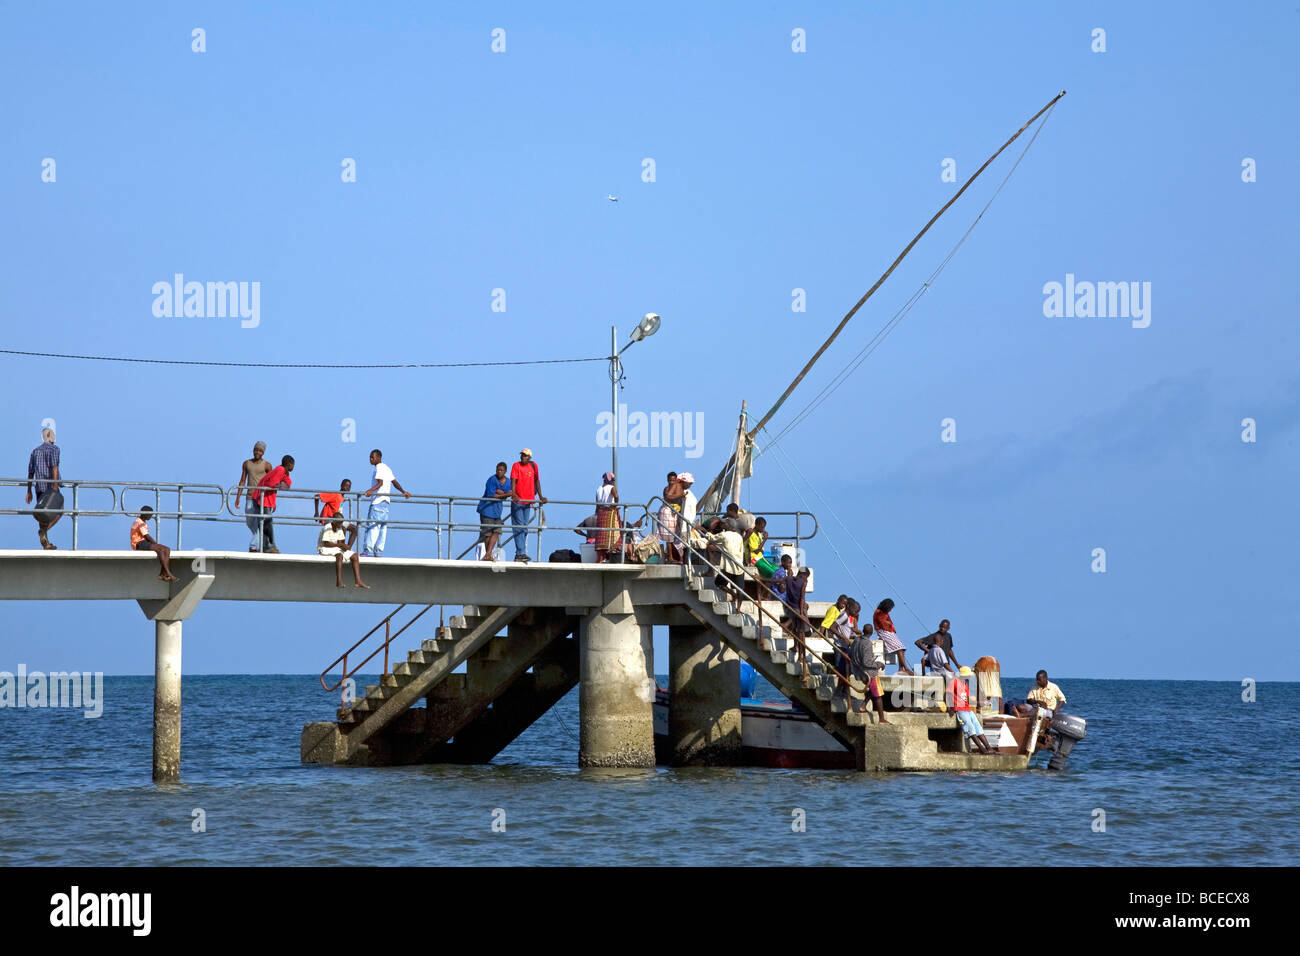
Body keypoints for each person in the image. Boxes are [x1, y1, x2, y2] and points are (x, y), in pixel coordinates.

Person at [361, 449, 412, 558]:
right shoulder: (387, 468)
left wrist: (370, 490)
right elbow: (395, 482)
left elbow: (380, 483)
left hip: (378, 501)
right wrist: (403, 492)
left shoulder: (379, 467)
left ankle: (367, 551)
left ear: (379, 457)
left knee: (372, 526)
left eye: (372, 457)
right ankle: (378, 552)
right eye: (370, 457)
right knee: (382, 528)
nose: (370, 459)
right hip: (386, 502)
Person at [26, 427, 63, 550]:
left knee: (42, 515)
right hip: (50, 488)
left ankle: (46, 543)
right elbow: (54, 468)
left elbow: (30, 472)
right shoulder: (55, 449)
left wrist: (29, 491)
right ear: (51, 437)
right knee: (59, 510)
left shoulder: (35, 451)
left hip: (39, 488)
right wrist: (56, 486)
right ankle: (43, 531)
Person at [250, 455, 294, 554]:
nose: (293, 467)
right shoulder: (280, 470)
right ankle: (269, 546)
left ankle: (266, 546)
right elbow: (272, 484)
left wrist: (281, 486)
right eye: (293, 465)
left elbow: (288, 485)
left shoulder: (284, 472)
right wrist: (279, 485)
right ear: (289, 464)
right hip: (261, 498)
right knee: (267, 523)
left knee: (265, 523)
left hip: (267, 499)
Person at [509, 448, 547, 563]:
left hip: (528, 500)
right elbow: (513, 481)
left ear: (529, 457)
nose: (522, 457)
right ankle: (520, 553)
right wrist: (514, 494)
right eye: (522, 455)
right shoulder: (516, 465)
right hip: (518, 501)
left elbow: (537, 481)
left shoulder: (533, 466)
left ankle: (519, 553)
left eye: (525, 456)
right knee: (519, 527)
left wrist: (541, 496)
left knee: (524, 528)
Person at [234, 441, 273, 552]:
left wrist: (273, 501)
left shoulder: (267, 465)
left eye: (260, 451)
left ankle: (253, 545)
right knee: (250, 522)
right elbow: (242, 481)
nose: (257, 452)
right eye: (256, 450)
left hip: (261, 498)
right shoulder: (246, 463)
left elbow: (272, 484)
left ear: (263, 452)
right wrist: (238, 498)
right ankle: (262, 543)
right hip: (250, 497)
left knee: (260, 521)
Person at [848, 611, 887, 722]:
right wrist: (879, 664)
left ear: (864, 631)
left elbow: (851, 654)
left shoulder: (856, 640)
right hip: (868, 674)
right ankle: (882, 719)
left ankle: (863, 706)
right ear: (871, 632)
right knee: (878, 695)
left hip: (858, 672)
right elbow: (867, 662)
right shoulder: (867, 643)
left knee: (872, 690)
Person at [704, 518, 745, 614]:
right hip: (739, 565)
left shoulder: (724, 535)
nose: (723, 524)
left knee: (719, 583)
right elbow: (740, 550)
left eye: (725, 523)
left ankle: (732, 594)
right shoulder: (739, 536)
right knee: (740, 589)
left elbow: (712, 538)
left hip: (728, 566)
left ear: (728, 526)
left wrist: (705, 531)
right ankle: (738, 608)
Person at [949, 669, 993, 754]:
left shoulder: (965, 684)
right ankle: (982, 749)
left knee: (978, 728)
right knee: (970, 729)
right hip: (960, 710)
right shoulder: (954, 682)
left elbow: (967, 699)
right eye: (968, 675)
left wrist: (979, 702)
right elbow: (948, 694)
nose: (969, 677)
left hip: (968, 709)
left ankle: (989, 748)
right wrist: (950, 708)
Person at [131, 506, 178, 582]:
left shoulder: (142, 521)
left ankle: (162, 573)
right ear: (145, 514)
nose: (151, 516)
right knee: (160, 549)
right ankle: (168, 573)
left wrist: (157, 545)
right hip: (138, 544)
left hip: (143, 542)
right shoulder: (139, 522)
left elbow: (146, 538)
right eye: (150, 514)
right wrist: (156, 544)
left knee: (167, 549)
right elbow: (147, 536)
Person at [318, 518, 369, 589]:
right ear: (335, 522)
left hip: (336, 548)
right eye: (340, 523)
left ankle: (358, 581)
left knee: (354, 556)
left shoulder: (340, 528)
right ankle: (339, 581)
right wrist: (340, 545)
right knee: (339, 555)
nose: (342, 525)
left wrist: (345, 547)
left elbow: (340, 542)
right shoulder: (328, 527)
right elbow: (326, 544)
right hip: (325, 548)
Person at [475, 462, 511, 560]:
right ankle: (487, 554)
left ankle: (489, 553)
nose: (499, 472)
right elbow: (492, 495)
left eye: (501, 470)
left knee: (497, 531)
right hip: (487, 509)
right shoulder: (491, 480)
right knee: (487, 533)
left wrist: (501, 493)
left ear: (505, 471)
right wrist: (504, 494)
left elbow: (509, 494)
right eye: (497, 470)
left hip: (497, 511)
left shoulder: (508, 482)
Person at [782, 567, 812, 681]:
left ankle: (797, 650)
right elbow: (802, 597)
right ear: (804, 575)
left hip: (791, 608)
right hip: (799, 610)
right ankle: (801, 656)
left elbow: (777, 581)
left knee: (797, 631)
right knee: (801, 634)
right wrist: (801, 612)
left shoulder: (791, 579)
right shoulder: (803, 581)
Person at [872, 598, 914, 676]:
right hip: (883, 632)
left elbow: (889, 623)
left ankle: (901, 669)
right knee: (899, 647)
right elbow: (884, 624)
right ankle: (906, 668)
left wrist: (889, 623)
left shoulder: (885, 613)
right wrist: (889, 624)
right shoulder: (879, 612)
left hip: (889, 632)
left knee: (902, 648)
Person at [594, 472, 621, 563]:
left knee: (601, 535)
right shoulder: (611, 488)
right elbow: (616, 496)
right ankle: (610, 556)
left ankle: (602, 557)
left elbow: (597, 504)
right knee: (612, 535)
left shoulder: (599, 489)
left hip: (601, 513)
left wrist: (597, 512)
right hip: (610, 512)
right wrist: (615, 504)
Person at [657, 471, 683, 562]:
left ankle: (680, 558)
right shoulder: (667, 488)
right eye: (670, 480)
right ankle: (671, 557)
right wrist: (680, 495)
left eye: (673, 480)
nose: (671, 481)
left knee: (677, 536)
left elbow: (672, 497)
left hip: (674, 512)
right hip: (667, 512)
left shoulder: (677, 487)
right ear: (667, 480)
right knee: (669, 537)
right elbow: (668, 497)